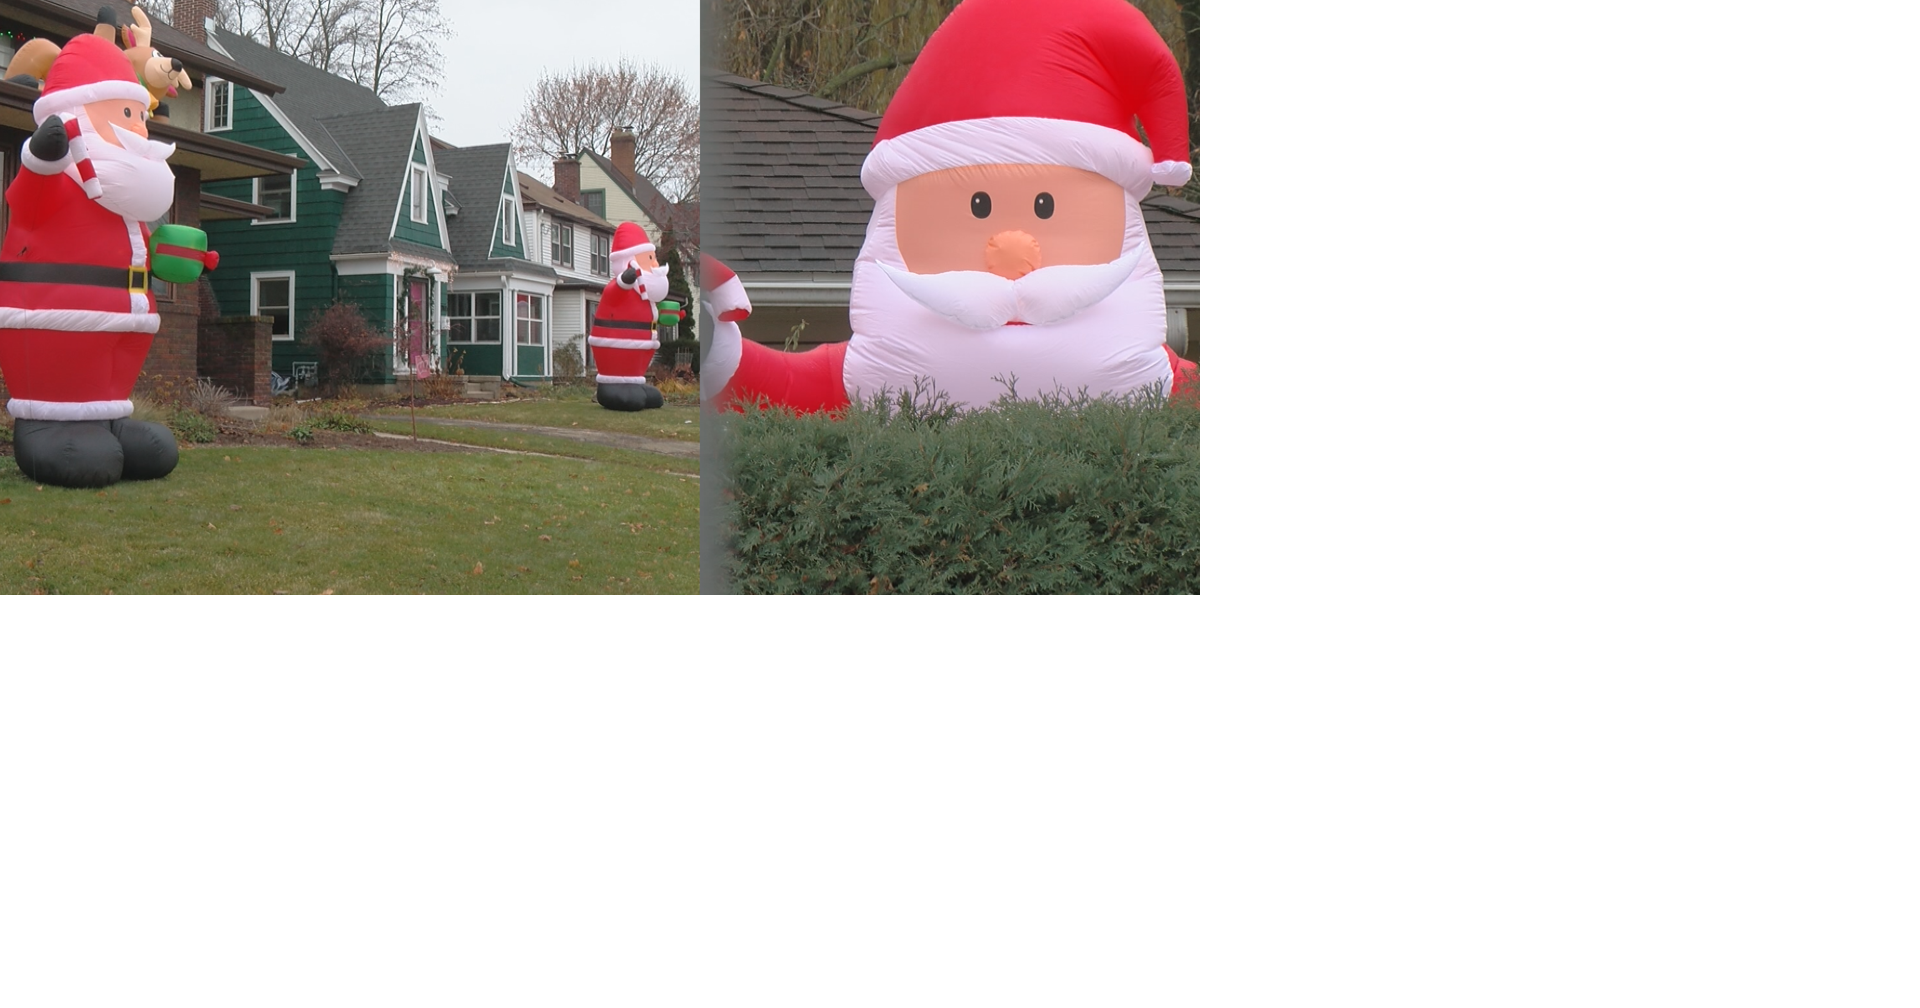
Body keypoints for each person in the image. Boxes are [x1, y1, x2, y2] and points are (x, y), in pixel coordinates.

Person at [703, 0, 1197, 414]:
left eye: (1044, 206)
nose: (1009, 250)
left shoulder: (1148, 372)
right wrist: (725, 354)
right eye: (978, 206)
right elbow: (782, 387)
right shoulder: (875, 369)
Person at [0, 31, 191, 487]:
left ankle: (109, 421)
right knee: (80, 434)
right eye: (127, 114)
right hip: (54, 317)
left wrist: (184, 256)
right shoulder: (58, 179)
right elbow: (25, 202)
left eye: (140, 115)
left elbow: (142, 249)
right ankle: (45, 428)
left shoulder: (124, 199)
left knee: (134, 431)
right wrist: (42, 157)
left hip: (122, 322)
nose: (139, 128)